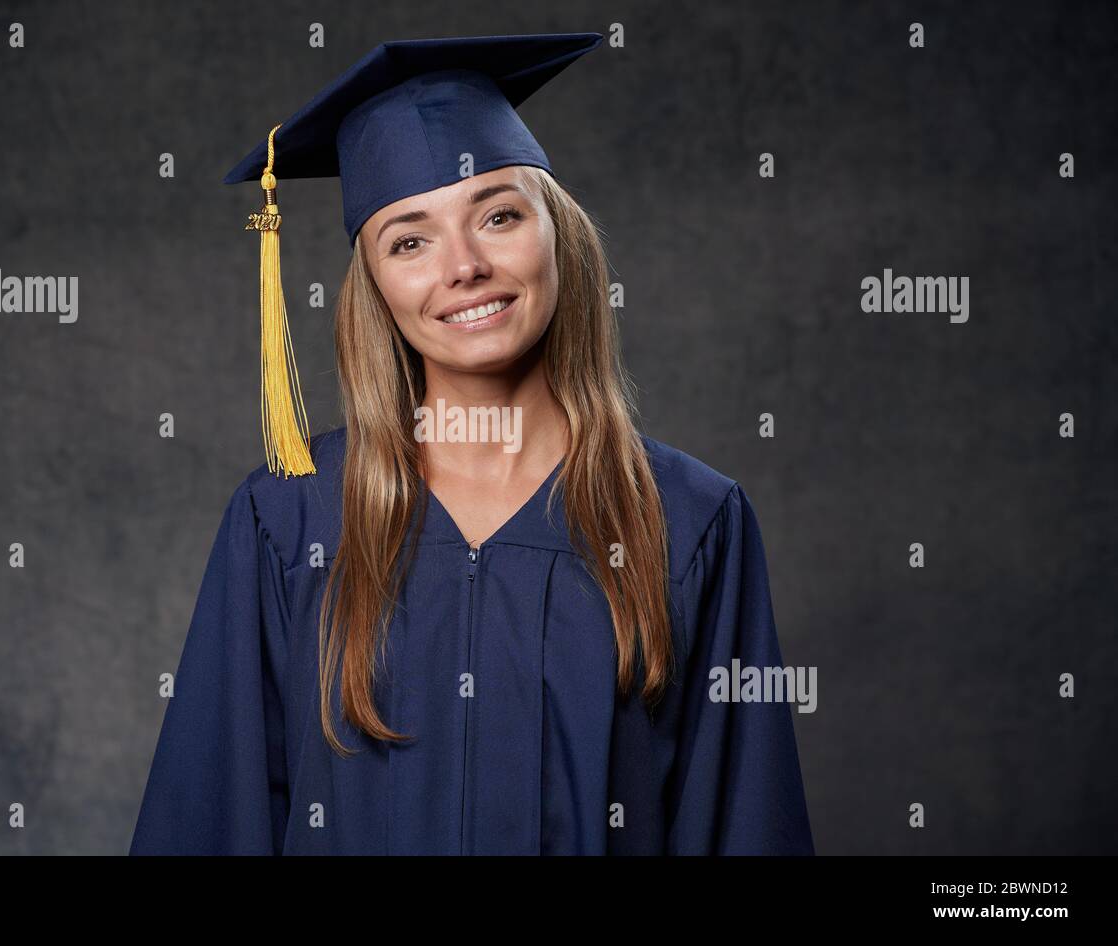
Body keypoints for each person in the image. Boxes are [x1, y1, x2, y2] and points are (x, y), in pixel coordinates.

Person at [129, 31, 814, 855]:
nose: (463, 266)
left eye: (498, 215)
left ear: (557, 234)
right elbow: (208, 821)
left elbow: (745, 824)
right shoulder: (288, 520)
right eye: (409, 240)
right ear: (374, 286)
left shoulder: (692, 521)